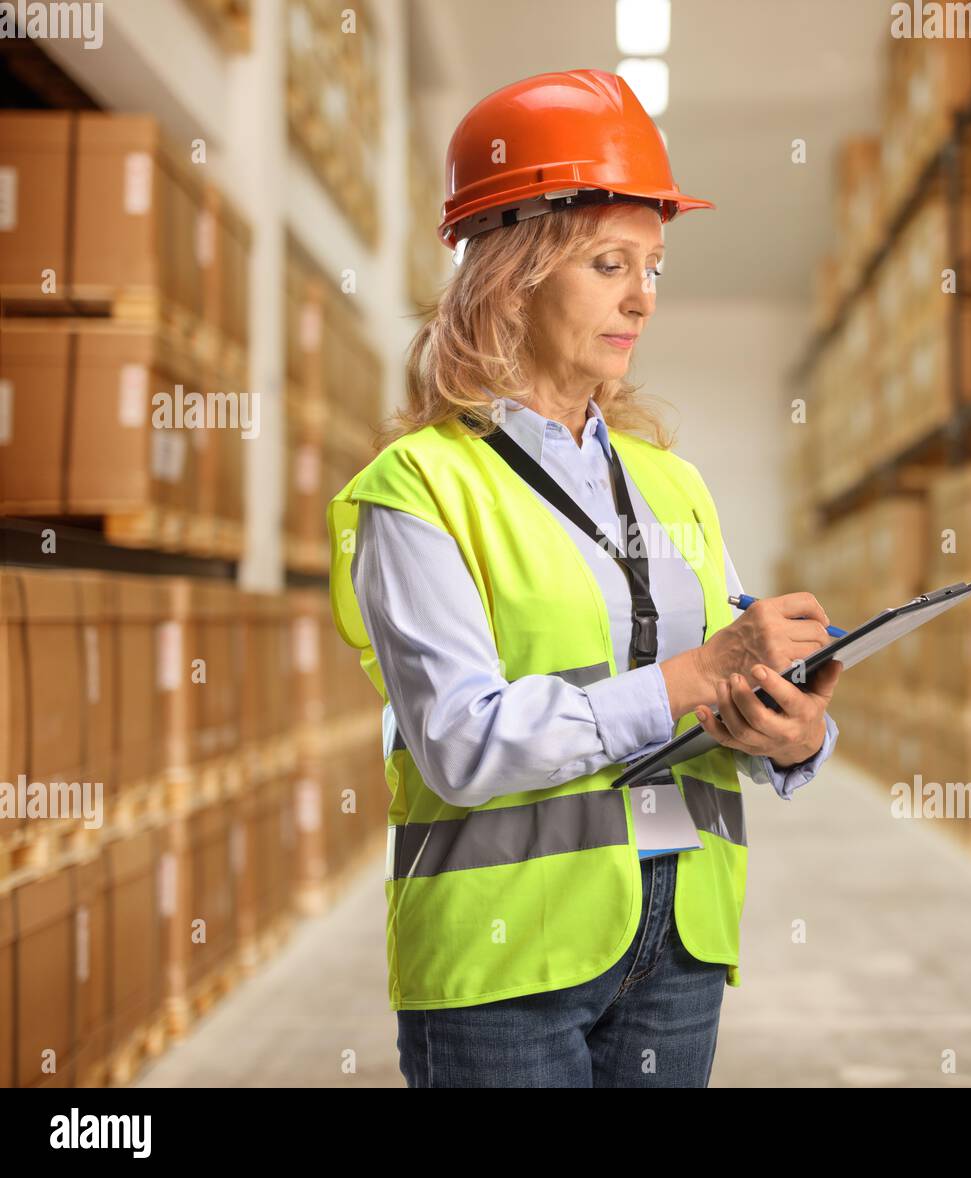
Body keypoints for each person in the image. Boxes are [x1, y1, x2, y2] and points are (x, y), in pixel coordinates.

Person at [326, 68, 842, 1088]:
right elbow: (462, 744)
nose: (643, 296)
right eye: (609, 262)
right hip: (504, 960)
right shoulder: (419, 487)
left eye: (652, 264)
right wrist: (692, 676)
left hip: (680, 939)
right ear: (511, 273)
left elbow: (722, 674)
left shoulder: (671, 482)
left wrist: (795, 732)